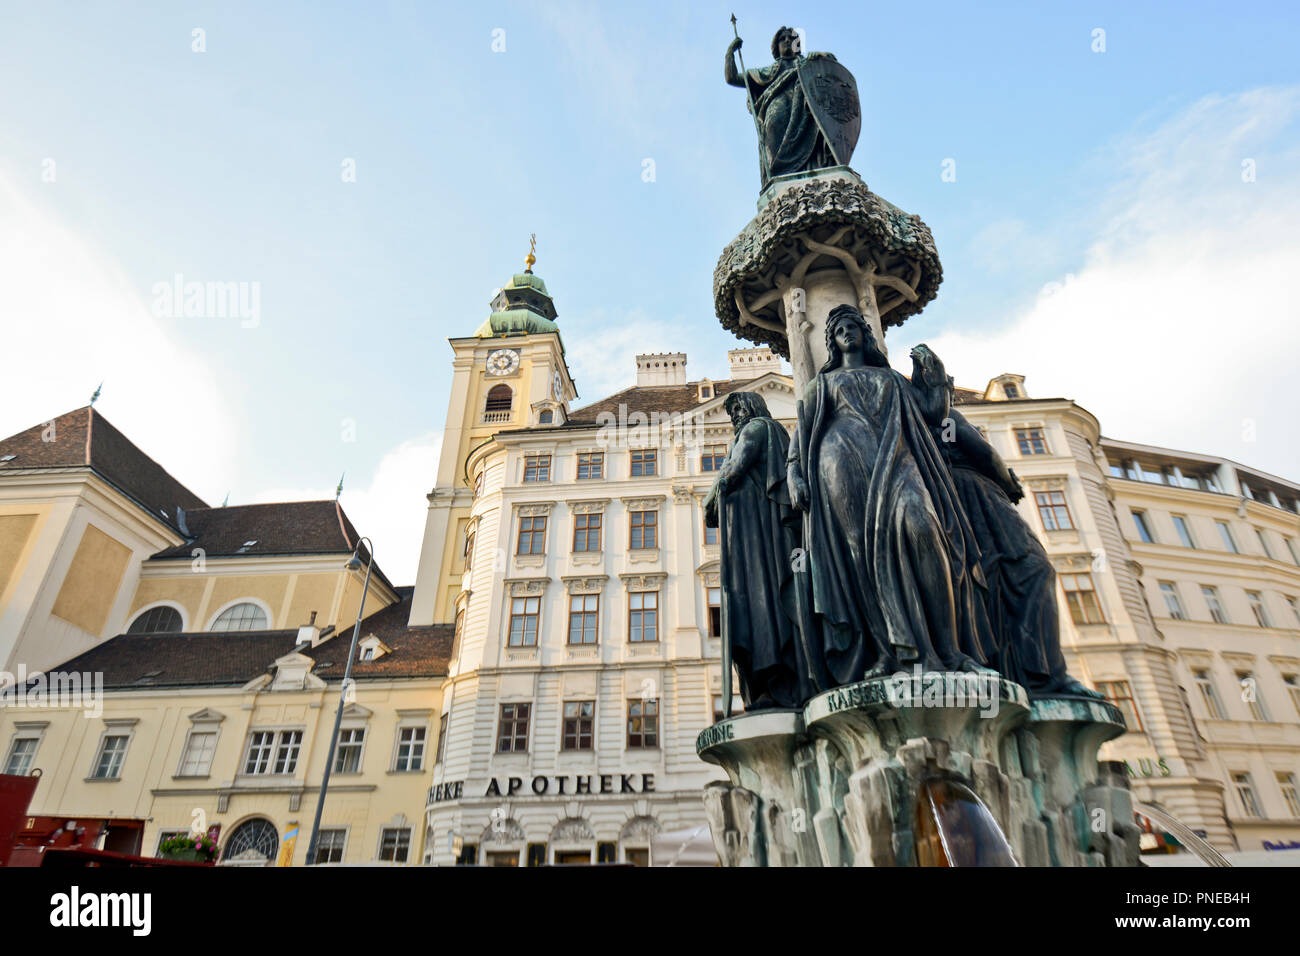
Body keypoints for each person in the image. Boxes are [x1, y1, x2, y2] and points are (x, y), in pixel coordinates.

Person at [787, 305, 993, 684]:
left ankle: (949, 650)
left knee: (924, 529)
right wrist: (794, 472)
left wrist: (934, 376)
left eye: (853, 326)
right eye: (839, 329)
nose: (847, 332)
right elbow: (803, 431)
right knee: (860, 554)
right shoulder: (823, 384)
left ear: (866, 334)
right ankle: (886, 650)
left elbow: (933, 412)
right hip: (842, 463)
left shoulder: (892, 378)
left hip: (897, 458)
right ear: (831, 341)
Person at [909, 344, 1105, 698]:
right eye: (946, 383)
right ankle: (1044, 675)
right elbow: (984, 453)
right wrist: (1009, 482)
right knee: (1034, 568)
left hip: (949, 501)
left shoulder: (917, 421)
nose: (949, 388)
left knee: (989, 581)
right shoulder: (948, 418)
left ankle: (1016, 671)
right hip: (978, 495)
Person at [705, 391, 822, 707]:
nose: (735, 417)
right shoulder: (768, 433)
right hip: (754, 535)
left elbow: (733, 471)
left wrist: (710, 500)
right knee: (757, 602)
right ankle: (771, 681)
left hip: (759, 538)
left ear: (753, 408)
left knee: (761, 603)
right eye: (732, 413)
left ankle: (773, 680)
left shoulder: (757, 428)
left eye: (738, 409)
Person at [725, 26, 839, 186]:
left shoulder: (808, 63)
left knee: (818, 131)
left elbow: (833, 69)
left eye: (791, 38)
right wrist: (730, 53)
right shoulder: (768, 71)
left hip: (806, 109)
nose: (787, 40)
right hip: (778, 108)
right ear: (776, 47)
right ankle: (779, 181)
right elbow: (732, 78)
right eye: (782, 38)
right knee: (773, 132)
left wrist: (821, 56)